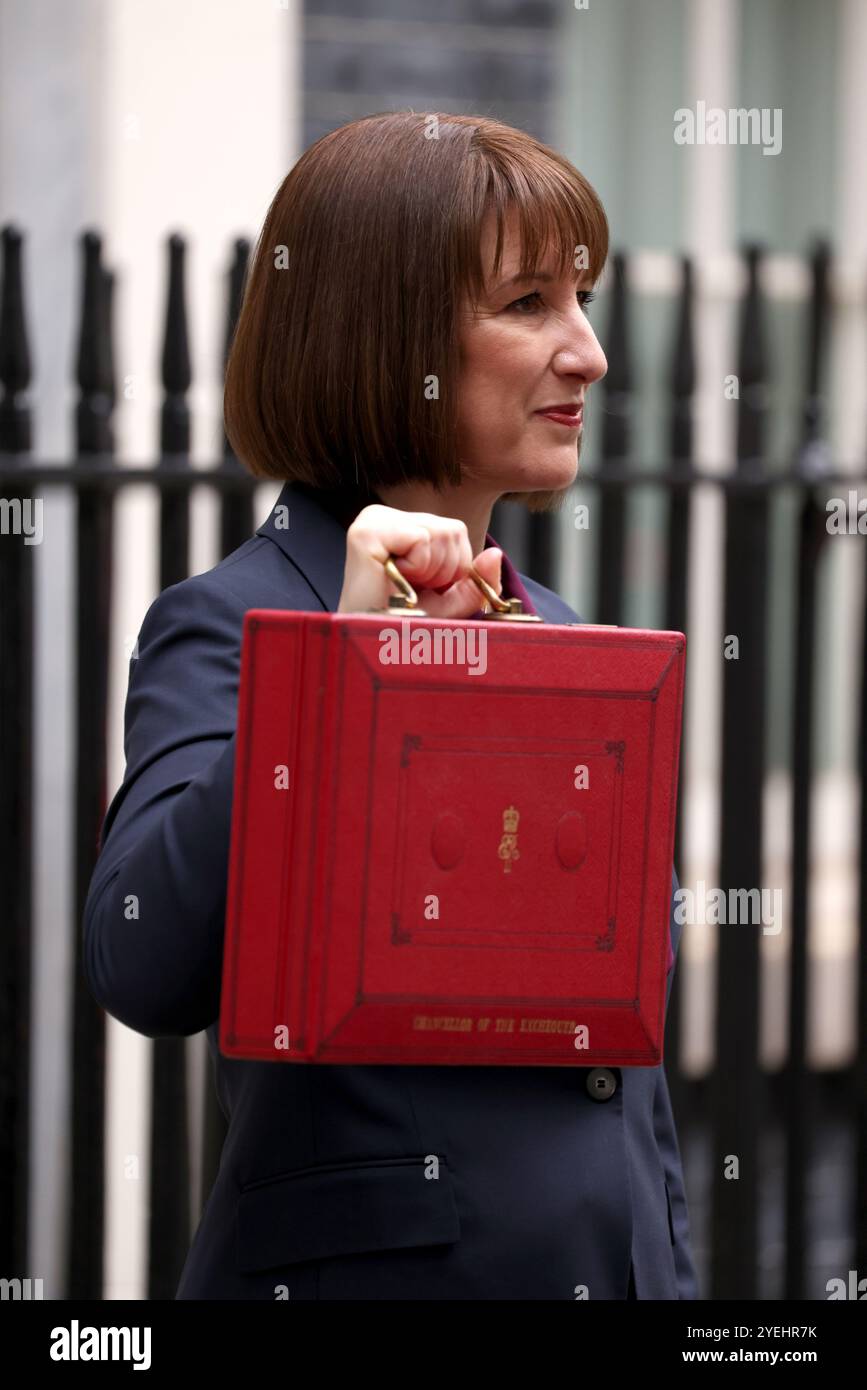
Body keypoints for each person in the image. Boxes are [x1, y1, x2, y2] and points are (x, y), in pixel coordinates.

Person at [83, 110, 698, 1300]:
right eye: (528, 304)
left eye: (582, 300)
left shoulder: (568, 635)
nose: (589, 353)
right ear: (387, 334)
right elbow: (138, 960)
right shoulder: (235, 621)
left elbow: (626, 1088)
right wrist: (339, 660)